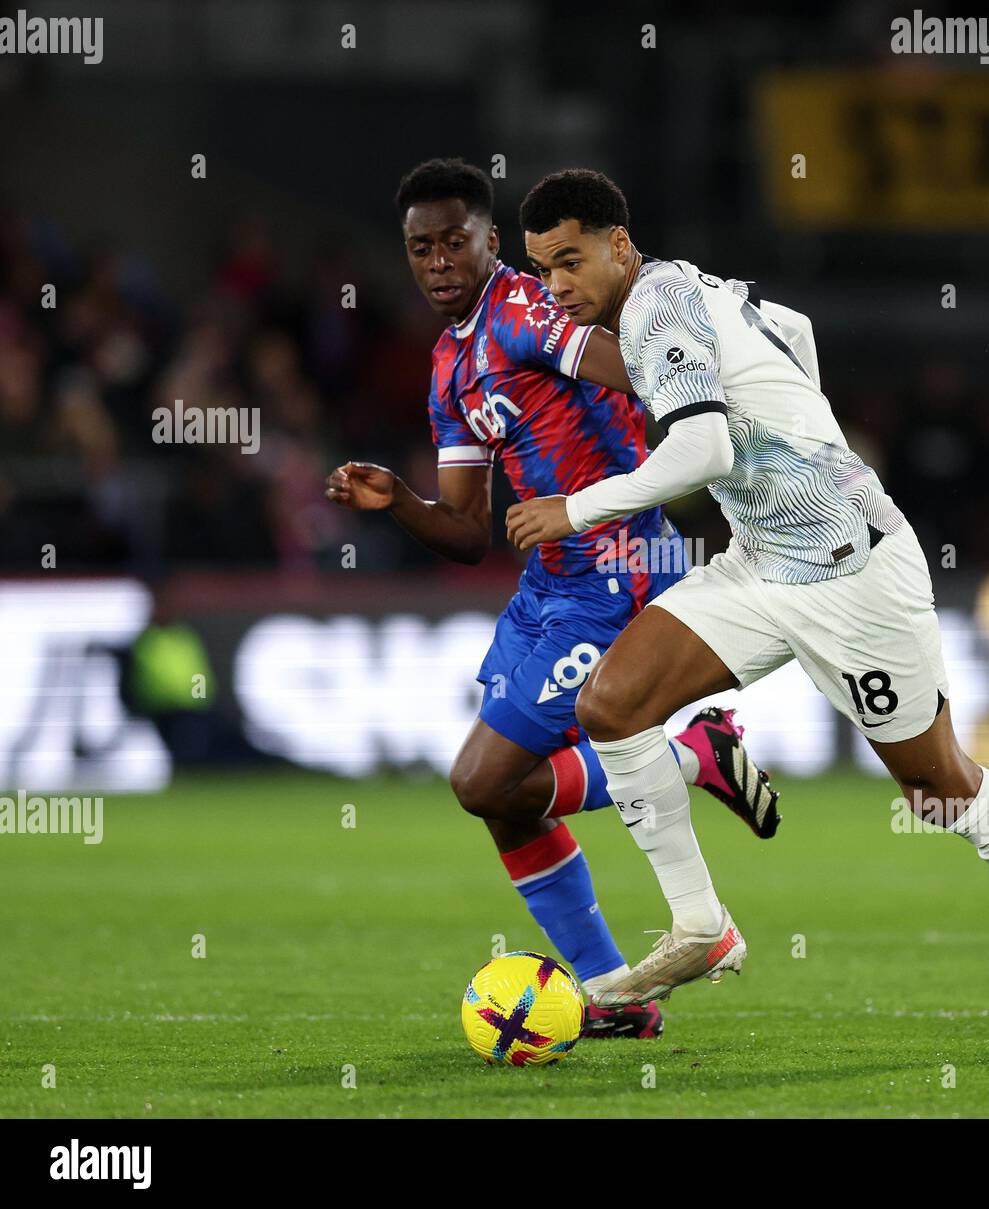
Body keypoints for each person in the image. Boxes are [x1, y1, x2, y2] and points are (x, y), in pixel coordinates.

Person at [506, 168, 989, 1048]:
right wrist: (803, 434)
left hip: (852, 576)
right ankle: (700, 924)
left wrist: (576, 508)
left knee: (939, 790)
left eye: (569, 260)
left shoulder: (657, 306)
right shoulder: (686, 286)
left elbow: (703, 449)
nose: (556, 285)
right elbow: (793, 328)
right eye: (542, 268)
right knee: (613, 705)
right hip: (762, 563)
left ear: (618, 244)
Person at [326, 159, 780, 1041]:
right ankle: (614, 993)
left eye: (454, 241)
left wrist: (645, 456)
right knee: (502, 797)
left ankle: (692, 756)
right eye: (421, 248)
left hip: (616, 571)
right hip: (549, 585)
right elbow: (468, 532)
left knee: (480, 778)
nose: (438, 261)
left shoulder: (526, 310)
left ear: (491, 240)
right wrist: (401, 501)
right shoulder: (449, 364)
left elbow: (643, 373)